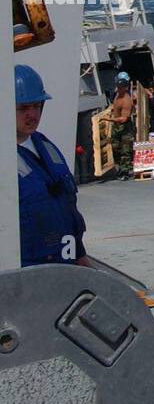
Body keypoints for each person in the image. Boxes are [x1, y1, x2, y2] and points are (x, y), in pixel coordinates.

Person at [14, 63, 89, 268]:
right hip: (27, 272)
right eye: (23, 108)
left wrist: (80, 256)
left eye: (37, 106)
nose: (32, 114)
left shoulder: (45, 145)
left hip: (65, 262)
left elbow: (66, 205)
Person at [109, 72, 136, 181]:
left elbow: (124, 118)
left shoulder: (126, 100)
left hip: (125, 127)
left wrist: (109, 119)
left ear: (125, 88)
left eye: (121, 87)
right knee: (115, 147)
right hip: (116, 126)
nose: (119, 89)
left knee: (126, 149)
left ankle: (125, 171)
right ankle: (119, 167)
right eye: (118, 87)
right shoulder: (116, 96)